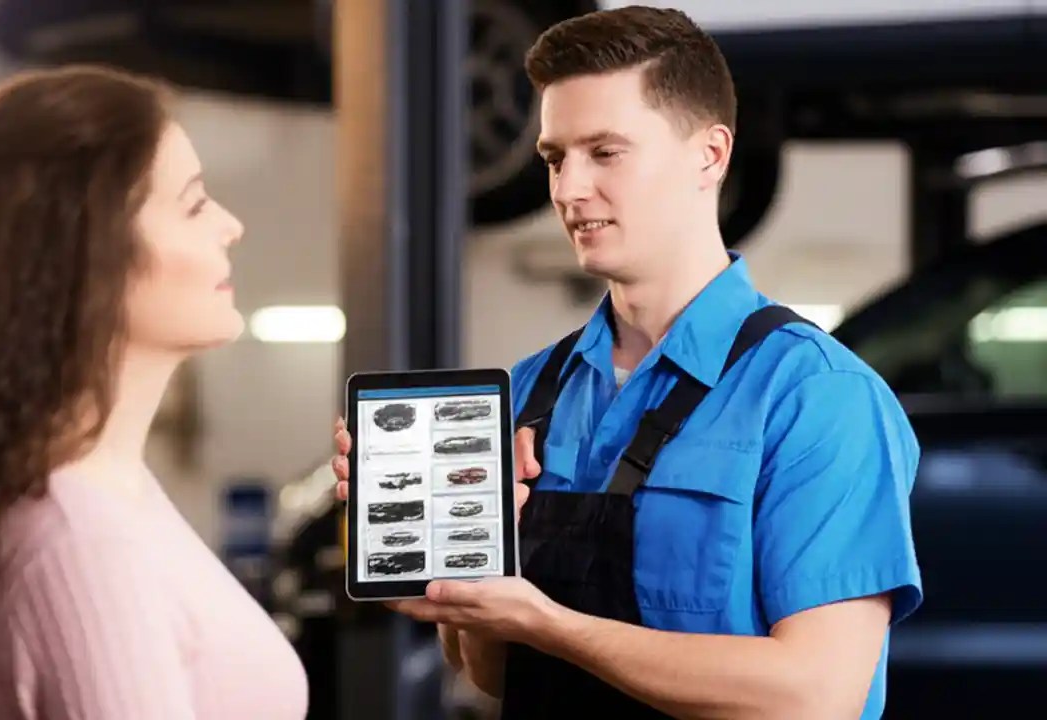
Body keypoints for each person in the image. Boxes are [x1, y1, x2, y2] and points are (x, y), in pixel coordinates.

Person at [332, 6, 921, 719]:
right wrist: (456, 562)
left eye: (605, 152)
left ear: (710, 154)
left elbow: (816, 694)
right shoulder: (528, 391)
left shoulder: (815, 397)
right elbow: (491, 673)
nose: (569, 190)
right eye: (555, 157)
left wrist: (552, 625)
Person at [0, 65, 308, 720]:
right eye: (194, 202)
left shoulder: (100, 497)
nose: (231, 224)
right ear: (92, 249)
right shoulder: (80, 547)